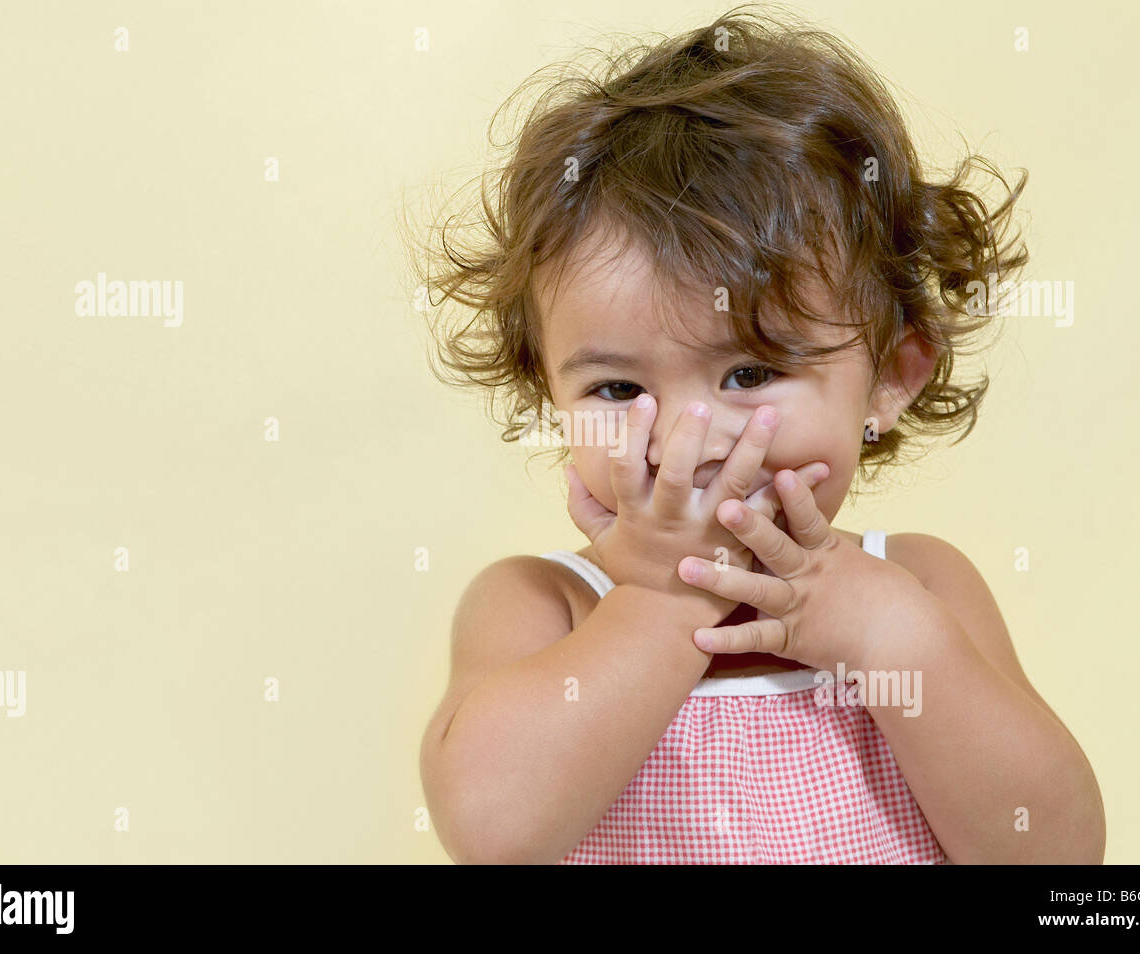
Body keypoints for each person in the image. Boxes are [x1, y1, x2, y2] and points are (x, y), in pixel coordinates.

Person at [411, 4, 1104, 864]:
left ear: (891, 378)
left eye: (749, 373)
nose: (690, 438)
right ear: (548, 391)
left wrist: (890, 636)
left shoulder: (919, 584)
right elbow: (493, 833)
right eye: (619, 387)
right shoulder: (544, 605)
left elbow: (1055, 859)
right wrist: (660, 599)